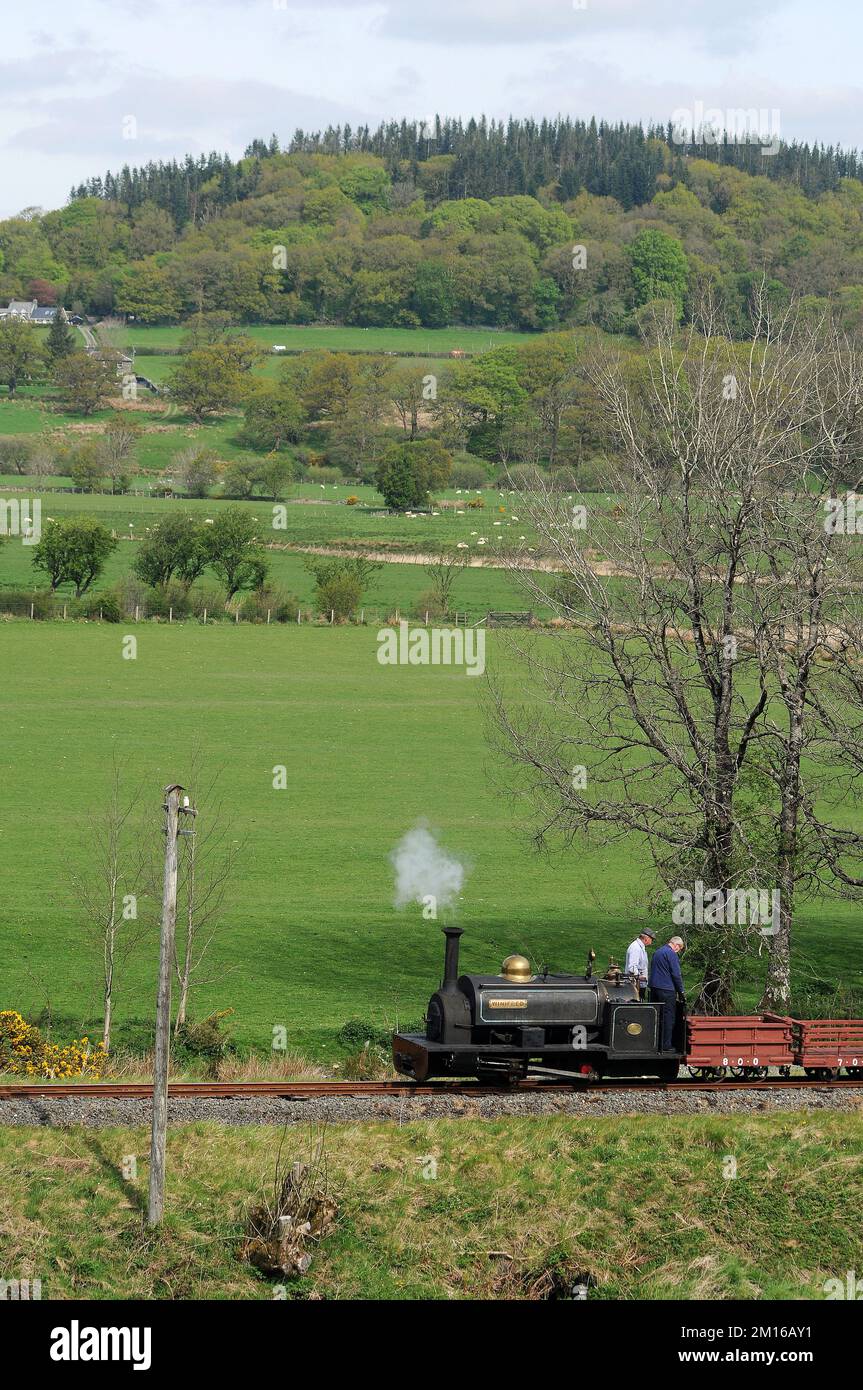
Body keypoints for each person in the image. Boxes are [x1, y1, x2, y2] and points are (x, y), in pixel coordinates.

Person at [649, 935, 686, 1052]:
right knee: (668, 1017)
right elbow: (676, 974)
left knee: (655, 1016)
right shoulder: (671, 954)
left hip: (654, 988)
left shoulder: (657, 952)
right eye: (679, 949)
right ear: (676, 945)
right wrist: (681, 991)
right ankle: (666, 1045)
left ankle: (654, 1043)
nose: (678, 951)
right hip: (666, 989)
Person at [625, 928, 654, 998]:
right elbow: (632, 967)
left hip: (639, 984)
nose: (652, 941)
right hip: (635, 984)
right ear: (646, 938)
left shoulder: (640, 947)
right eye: (651, 939)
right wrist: (639, 977)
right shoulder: (636, 948)